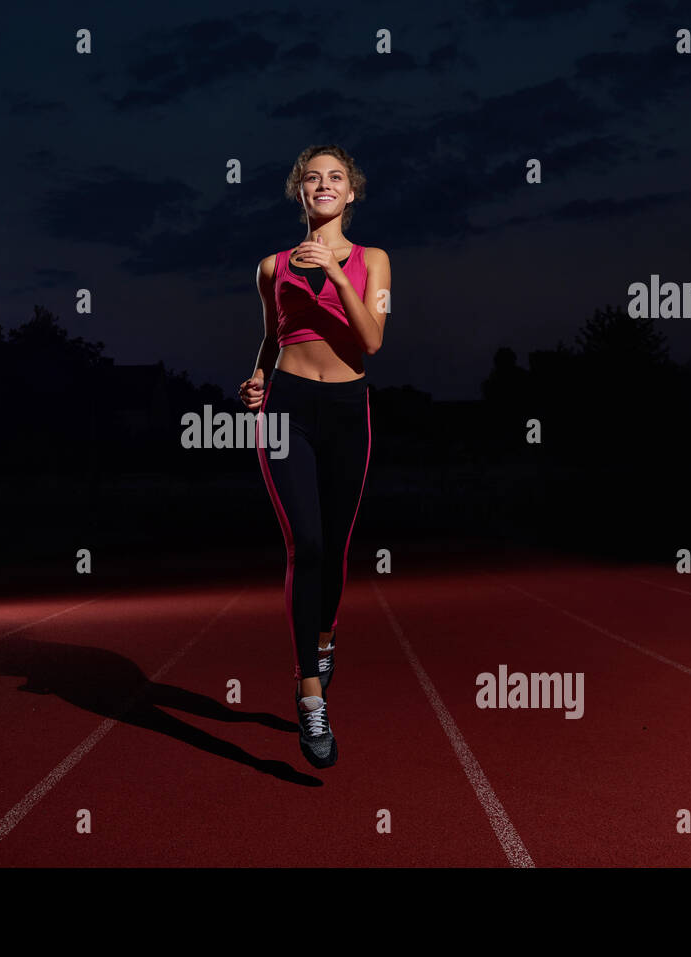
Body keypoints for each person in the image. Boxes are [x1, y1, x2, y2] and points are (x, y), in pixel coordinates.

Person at [238, 145, 390, 769]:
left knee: (337, 546)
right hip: (287, 408)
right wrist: (253, 379)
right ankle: (310, 696)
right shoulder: (271, 267)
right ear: (299, 193)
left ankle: (324, 641)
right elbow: (271, 340)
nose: (322, 185)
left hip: (349, 410)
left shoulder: (373, 260)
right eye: (311, 178)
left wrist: (331, 272)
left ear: (351, 193)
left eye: (335, 178)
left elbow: (373, 342)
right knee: (307, 544)